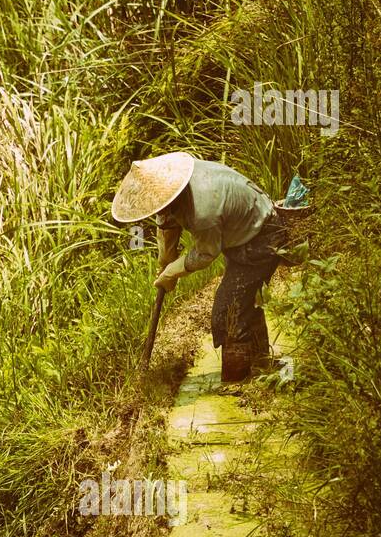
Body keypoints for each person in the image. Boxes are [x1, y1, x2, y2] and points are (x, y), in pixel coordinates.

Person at [111, 151, 285, 379]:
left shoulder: (204, 210)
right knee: (243, 299)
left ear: (175, 196)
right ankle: (260, 364)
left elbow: (205, 254)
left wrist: (172, 273)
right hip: (241, 232)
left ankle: (239, 378)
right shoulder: (170, 191)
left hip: (263, 235)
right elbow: (166, 226)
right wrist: (164, 262)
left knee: (228, 308)